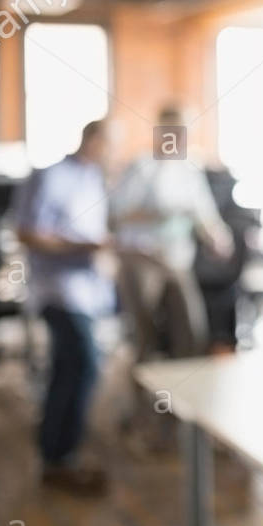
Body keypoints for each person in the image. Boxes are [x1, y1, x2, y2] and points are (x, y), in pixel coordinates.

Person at [14, 118, 116, 496]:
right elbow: (26, 233)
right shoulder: (48, 176)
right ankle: (60, 453)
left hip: (87, 289)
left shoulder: (94, 179)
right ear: (94, 140)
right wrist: (79, 247)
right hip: (55, 290)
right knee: (86, 364)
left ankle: (54, 453)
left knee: (67, 368)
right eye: (111, 144)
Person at [109, 105, 233, 360]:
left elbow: (205, 215)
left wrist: (217, 237)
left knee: (191, 331)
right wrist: (161, 213)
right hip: (142, 258)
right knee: (146, 336)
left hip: (177, 260)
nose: (177, 137)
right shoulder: (141, 166)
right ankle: (142, 396)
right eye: (172, 130)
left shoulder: (189, 169)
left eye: (183, 131)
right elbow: (117, 215)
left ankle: (176, 393)